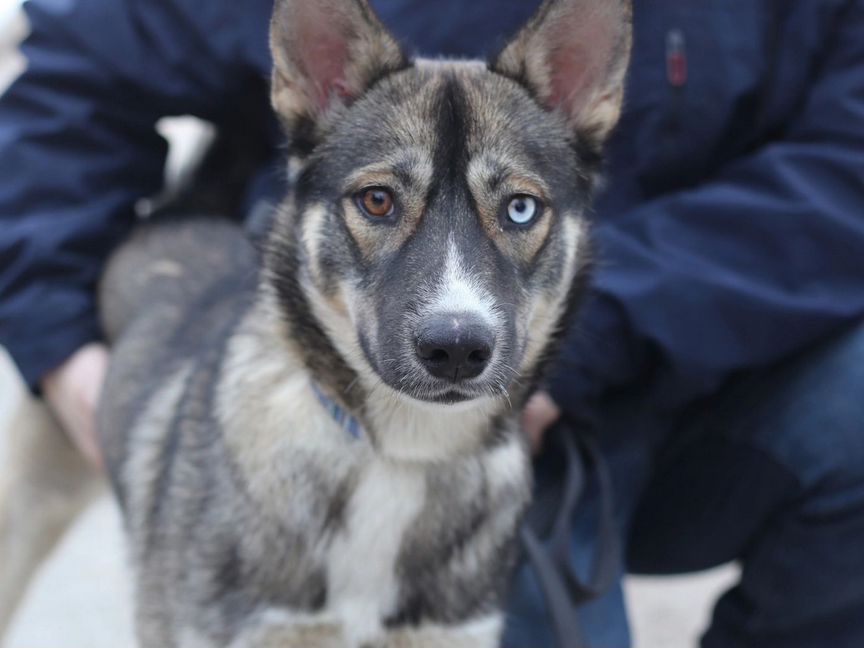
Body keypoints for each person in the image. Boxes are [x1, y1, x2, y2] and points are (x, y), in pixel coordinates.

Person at [1, 1, 863, 646]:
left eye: (517, 207)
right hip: (326, 403)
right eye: (381, 201)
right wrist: (61, 347)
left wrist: (609, 324)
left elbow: (847, 166)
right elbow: (78, 78)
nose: (456, 311)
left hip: (689, 394)